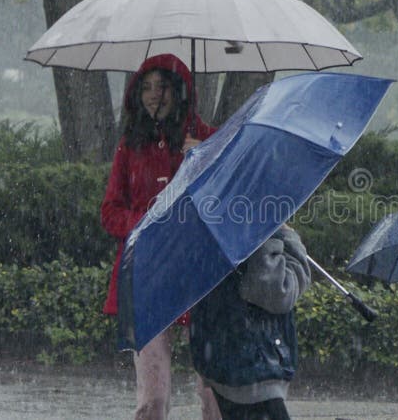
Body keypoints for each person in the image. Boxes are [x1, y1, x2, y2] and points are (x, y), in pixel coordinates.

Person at [100, 53, 220, 420]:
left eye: (163, 87)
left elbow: (227, 201)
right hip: (147, 275)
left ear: (180, 91)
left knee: (214, 387)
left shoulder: (208, 140)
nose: (154, 95)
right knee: (153, 396)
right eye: (147, 88)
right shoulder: (130, 146)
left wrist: (203, 159)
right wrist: (144, 223)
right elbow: (110, 211)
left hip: (198, 273)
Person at [190, 224, 312, 420]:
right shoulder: (254, 224)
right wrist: (288, 237)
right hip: (253, 362)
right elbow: (278, 292)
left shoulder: (218, 225)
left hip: (225, 357)